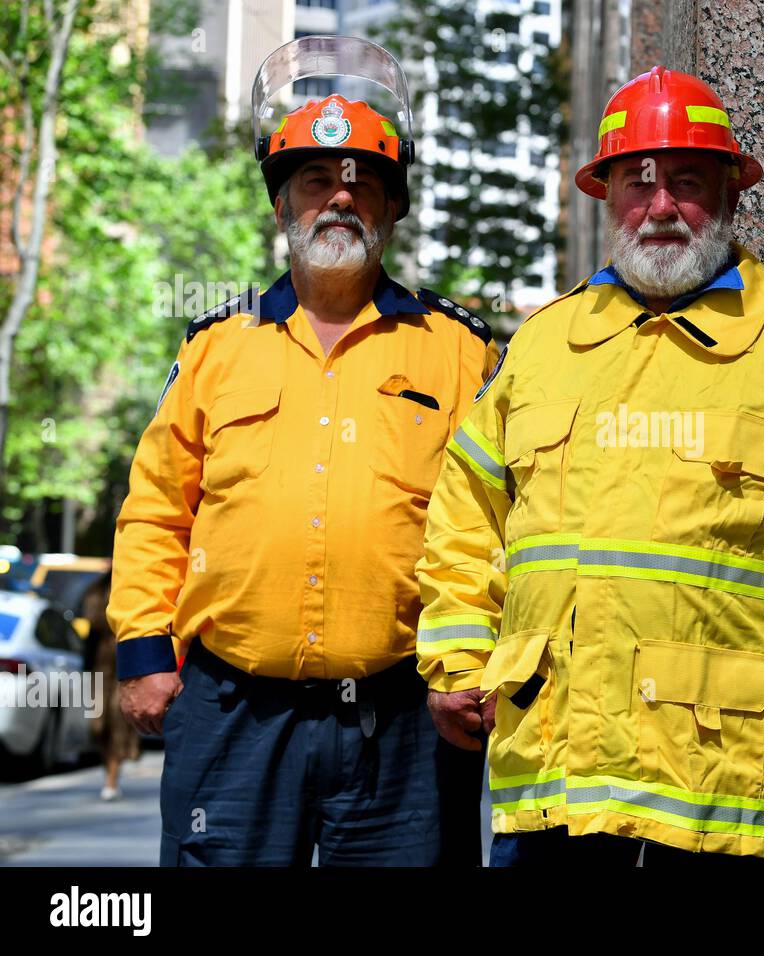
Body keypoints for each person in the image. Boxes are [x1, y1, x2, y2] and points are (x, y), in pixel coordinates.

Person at [416, 65, 764, 863]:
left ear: (731, 192)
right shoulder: (541, 348)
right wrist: (455, 657)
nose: (660, 207)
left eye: (686, 182)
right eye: (639, 183)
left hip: (724, 794)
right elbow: (464, 513)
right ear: (607, 195)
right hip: (558, 783)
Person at [106, 36, 495, 866]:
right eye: (316, 182)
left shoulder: (459, 351)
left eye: (362, 182)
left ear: (391, 207)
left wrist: (481, 663)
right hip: (233, 712)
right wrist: (144, 653)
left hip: (405, 719)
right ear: (283, 207)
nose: (339, 199)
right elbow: (154, 508)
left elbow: (505, 519)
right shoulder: (217, 347)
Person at [80, 568, 140, 802]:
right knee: (98, 725)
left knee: (118, 719)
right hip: (100, 666)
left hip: (125, 663)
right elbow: (90, 628)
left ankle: (112, 779)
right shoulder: (96, 589)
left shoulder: (132, 585)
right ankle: (109, 769)